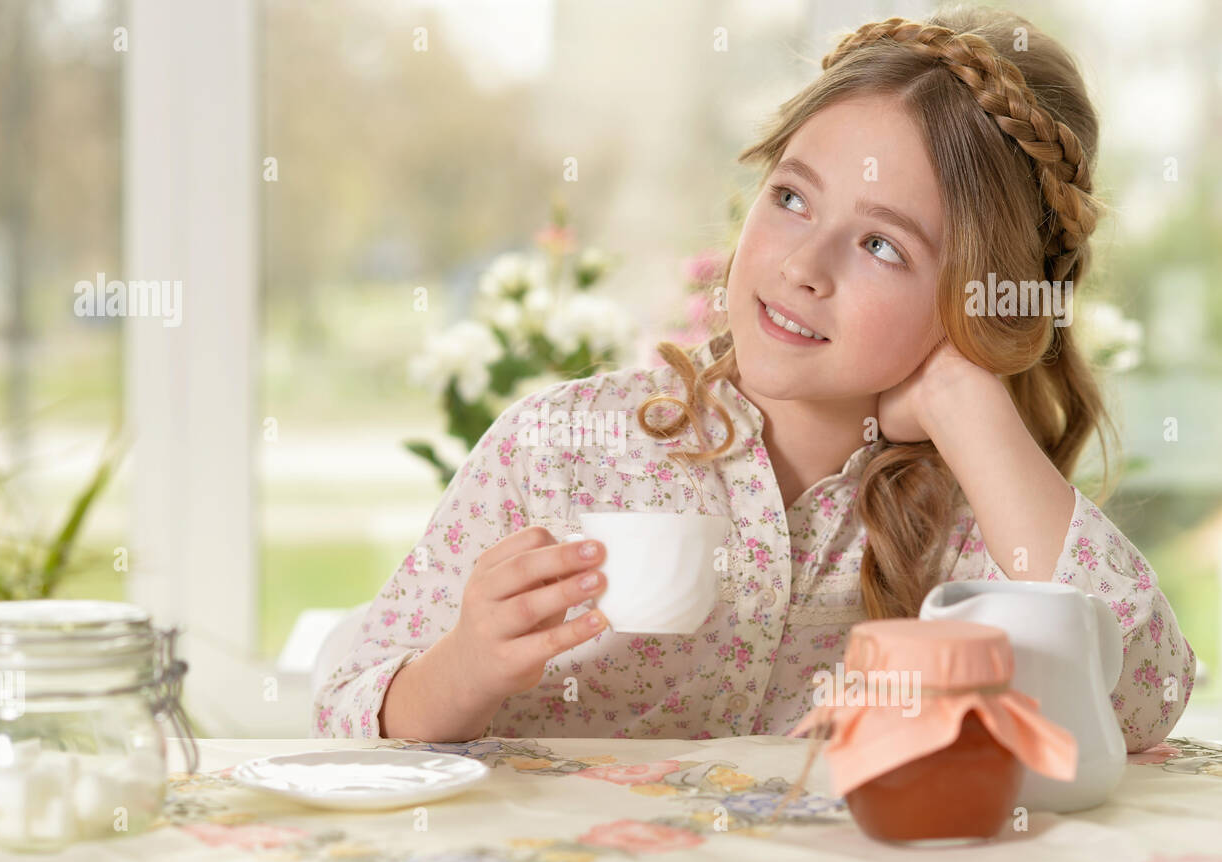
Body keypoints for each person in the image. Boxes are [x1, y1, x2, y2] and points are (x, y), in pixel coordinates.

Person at [314, 8, 1195, 751]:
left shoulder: (969, 520)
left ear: (976, 302)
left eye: (882, 244)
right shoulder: (559, 448)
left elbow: (1140, 699)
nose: (806, 264)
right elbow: (346, 709)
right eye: (792, 198)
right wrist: (462, 668)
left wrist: (968, 402)